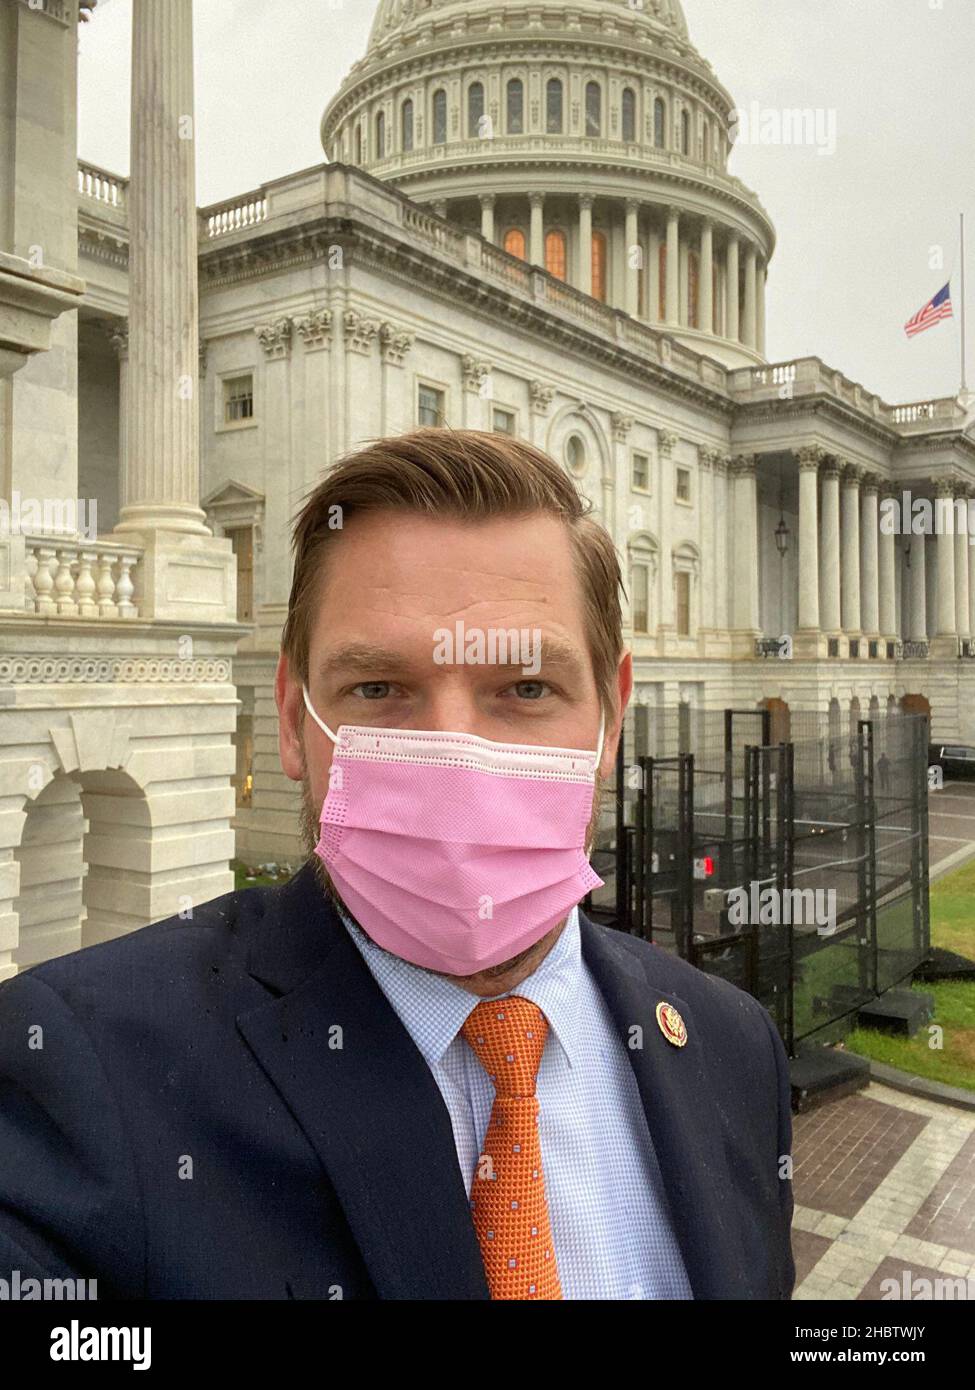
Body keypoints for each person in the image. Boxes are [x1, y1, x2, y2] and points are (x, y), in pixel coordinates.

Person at [0, 430, 794, 1300]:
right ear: (294, 718)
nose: (454, 754)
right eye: (378, 690)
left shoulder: (730, 1043)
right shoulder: (85, 1069)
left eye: (526, 689)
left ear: (611, 713)